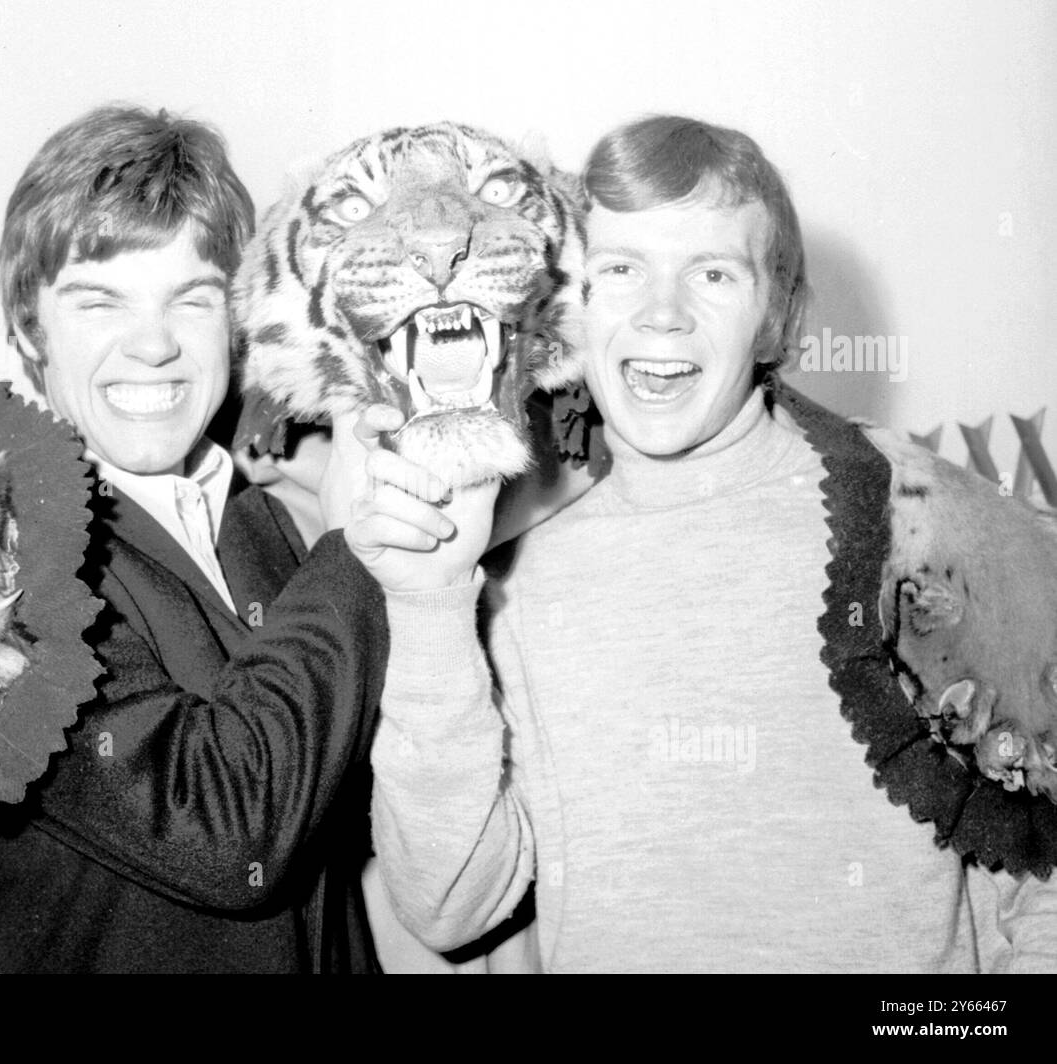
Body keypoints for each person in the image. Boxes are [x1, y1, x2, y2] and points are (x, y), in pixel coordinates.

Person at [355, 115, 1057, 972]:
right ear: (563, 307)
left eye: (713, 273)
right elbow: (447, 908)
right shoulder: (513, 567)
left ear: (776, 315)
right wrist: (429, 601)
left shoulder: (927, 518)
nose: (662, 315)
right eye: (619, 270)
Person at [0, 104, 449, 973]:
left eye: (192, 298)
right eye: (99, 302)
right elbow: (231, 832)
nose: (154, 345)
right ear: (30, 329)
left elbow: (329, 803)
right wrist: (353, 543)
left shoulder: (248, 513)